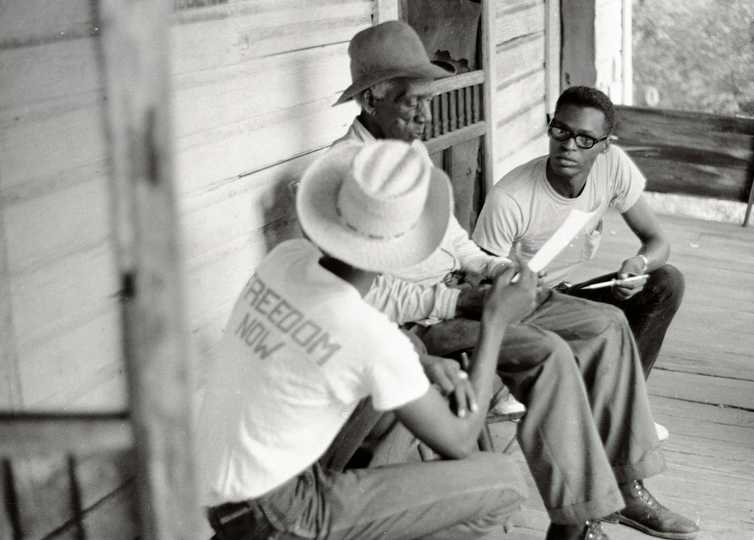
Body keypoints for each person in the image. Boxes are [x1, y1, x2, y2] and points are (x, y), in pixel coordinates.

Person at [327, 21, 699, 540]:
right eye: (413, 102)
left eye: (429, 101)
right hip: (429, 319)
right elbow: (370, 290)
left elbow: (453, 239)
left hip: (469, 289)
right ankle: (577, 520)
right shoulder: (348, 174)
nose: (426, 116)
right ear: (371, 99)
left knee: (608, 323)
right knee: (549, 351)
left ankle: (624, 486)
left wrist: (496, 267)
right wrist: (462, 295)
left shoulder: (405, 149)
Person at [196, 140, 535, 540]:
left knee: (407, 388)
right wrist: (494, 319)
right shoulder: (368, 337)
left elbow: (324, 340)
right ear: (405, 249)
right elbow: (460, 441)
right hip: (283, 511)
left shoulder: (284, 259)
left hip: (217, 491)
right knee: (504, 481)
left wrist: (422, 363)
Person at [472, 85, 685, 384]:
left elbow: (657, 241)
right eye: (560, 131)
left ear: (604, 146)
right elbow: (477, 288)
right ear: (550, 128)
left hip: (568, 296)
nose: (569, 145)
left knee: (666, 282)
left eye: (585, 139)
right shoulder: (510, 198)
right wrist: (517, 283)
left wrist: (638, 266)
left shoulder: (613, 166)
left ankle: (624, 396)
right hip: (524, 311)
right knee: (606, 323)